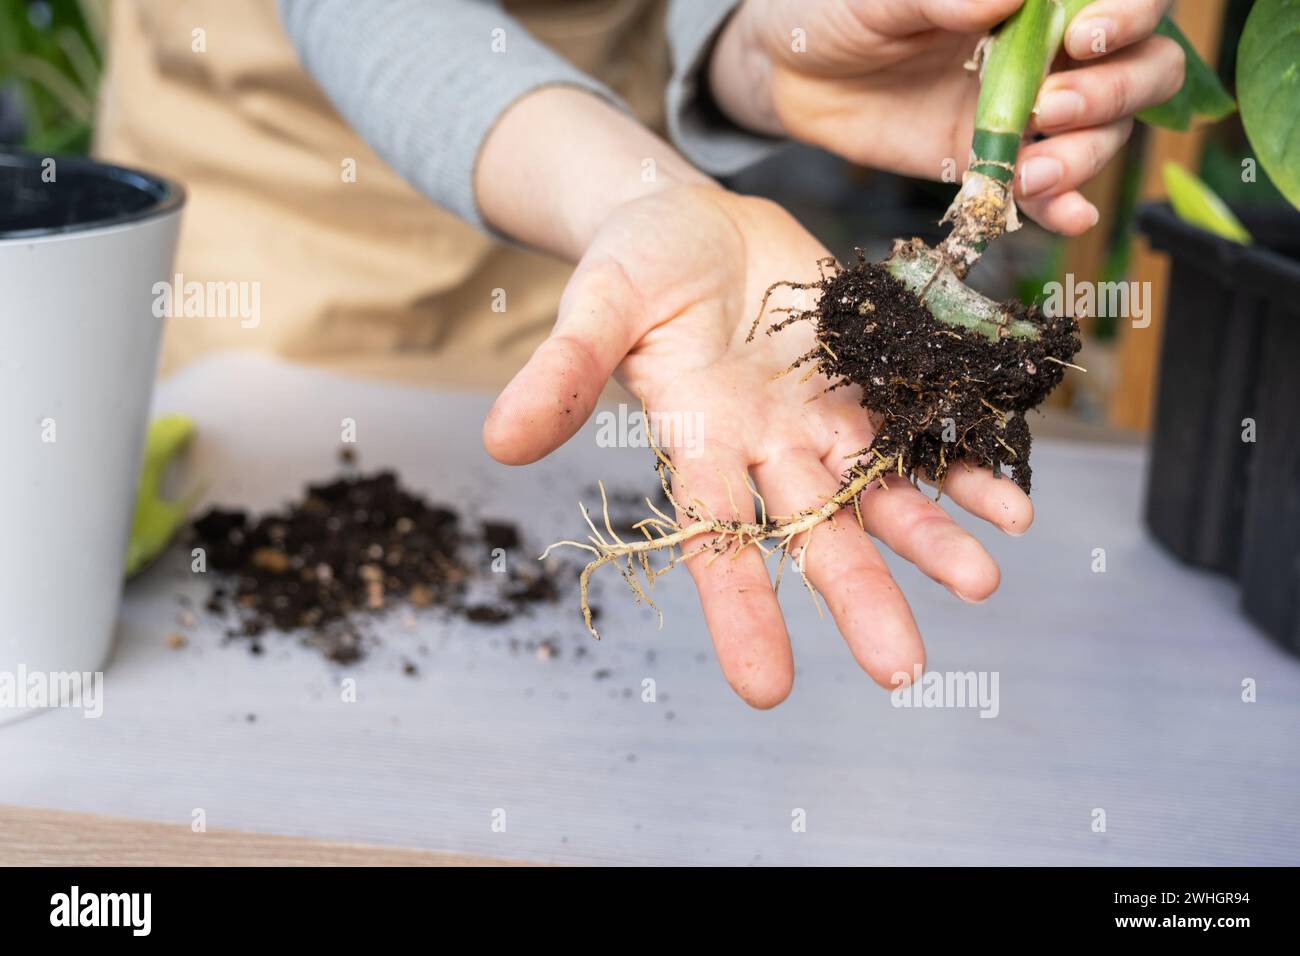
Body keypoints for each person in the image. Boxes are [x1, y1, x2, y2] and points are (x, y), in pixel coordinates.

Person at [97, 0, 1183, 707]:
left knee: (550, 634)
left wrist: (761, 49)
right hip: (269, 226)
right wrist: (639, 193)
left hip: (636, 278)